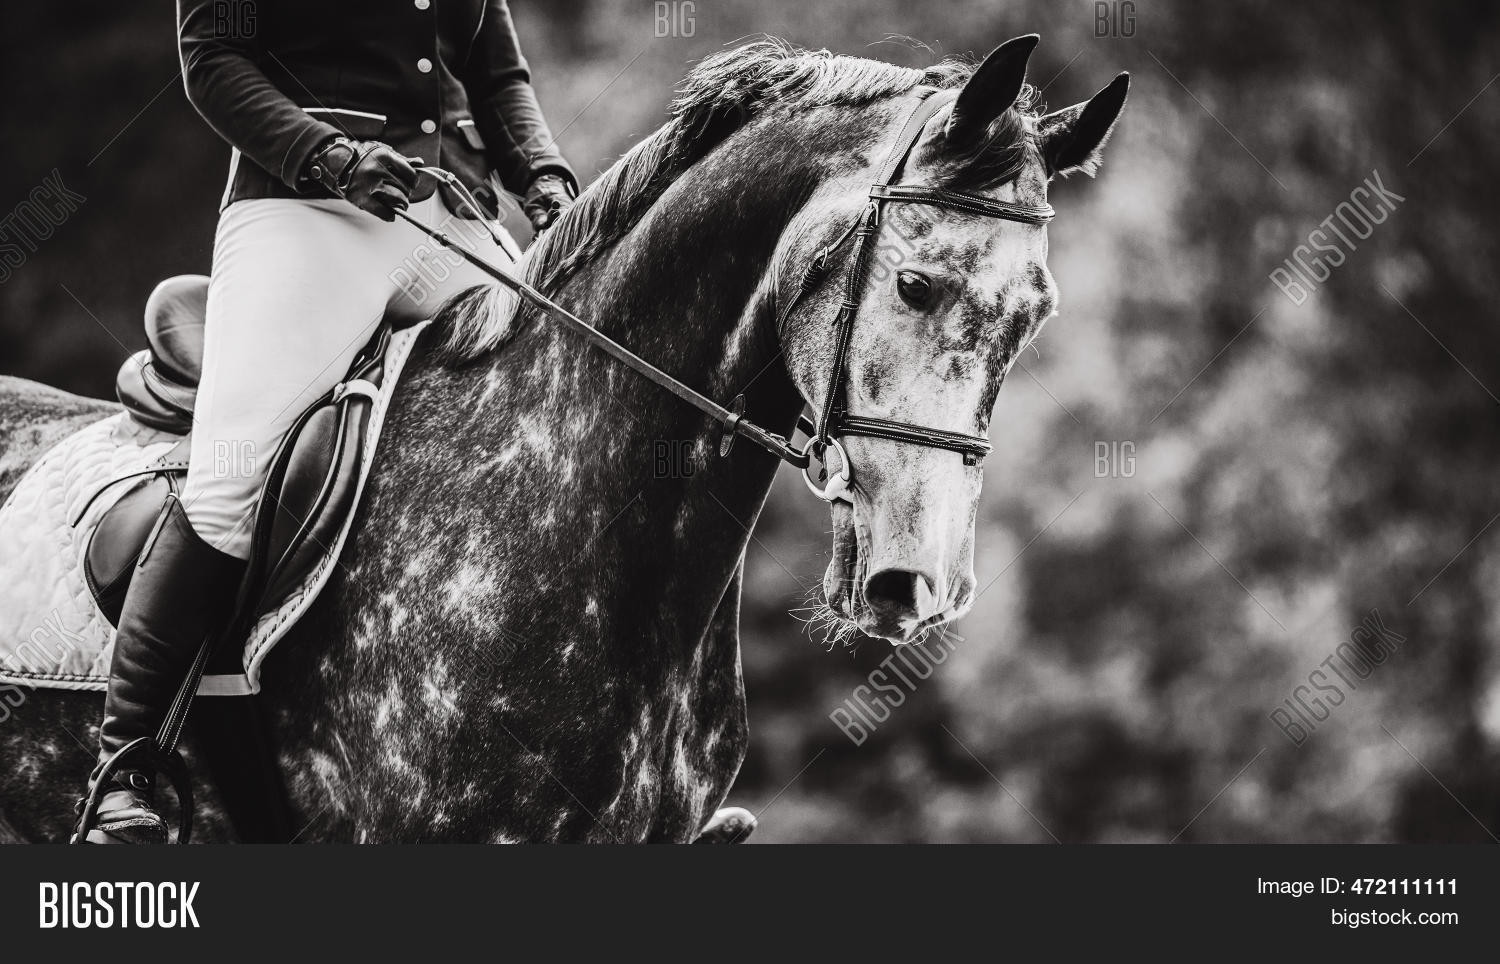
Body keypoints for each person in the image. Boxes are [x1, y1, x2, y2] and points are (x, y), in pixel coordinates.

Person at [75, 0, 577, 843]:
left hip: (456, 221)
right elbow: (213, 60)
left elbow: (497, 76)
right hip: (306, 211)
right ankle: (126, 768)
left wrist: (545, 178)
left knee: (574, 433)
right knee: (232, 479)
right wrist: (328, 155)